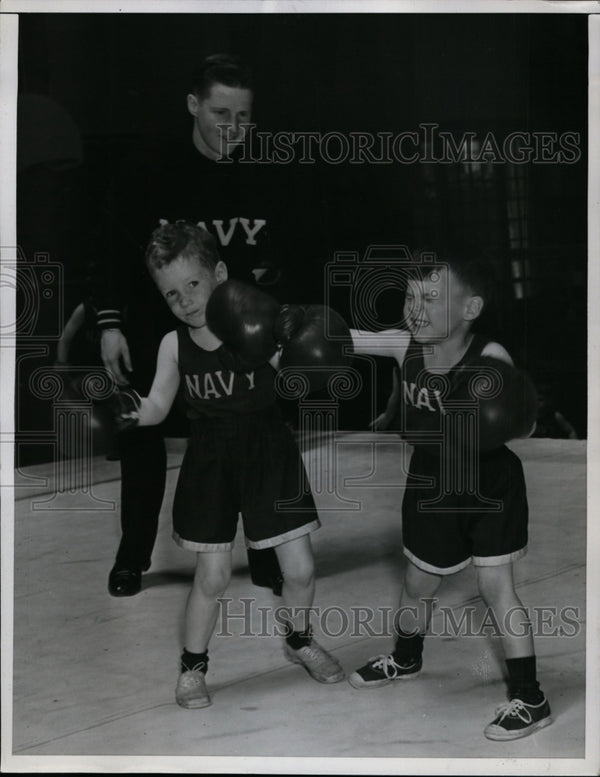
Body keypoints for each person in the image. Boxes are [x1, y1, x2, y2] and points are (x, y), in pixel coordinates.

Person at [111, 220, 345, 708]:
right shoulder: (174, 346)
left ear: (219, 273)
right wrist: (132, 411)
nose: (186, 300)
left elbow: (299, 373)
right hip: (210, 463)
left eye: (193, 284)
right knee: (212, 578)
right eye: (172, 294)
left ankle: (300, 640)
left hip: (269, 454)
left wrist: (306, 345)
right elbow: (157, 404)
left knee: (300, 570)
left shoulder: (255, 328)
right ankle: (193, 667)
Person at [90, 54, 284, 596]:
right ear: (193, 105)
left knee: (250, 442)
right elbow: (107, 253)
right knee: (141, 437)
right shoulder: (146, 168)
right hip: (158, 329)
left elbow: (292, 258)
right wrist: (110, 324)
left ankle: (265, 551)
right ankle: (133, 556)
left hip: (236, 335)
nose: (234, 128)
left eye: (245, 117)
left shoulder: (267, 174)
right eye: (221, 113)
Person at [348, 249, 552, 741]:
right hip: (430, 481)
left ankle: (531, 697)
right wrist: (286, 333)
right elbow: (345, 339)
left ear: (470, 309)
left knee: (495, 587)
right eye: (410, 296)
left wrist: (510, 413)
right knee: (418, 583)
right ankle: (406, 658)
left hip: (488, 485)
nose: (415, 308)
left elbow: (523, 418)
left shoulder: (491, 357)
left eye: (431, 298)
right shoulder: (404, 345)